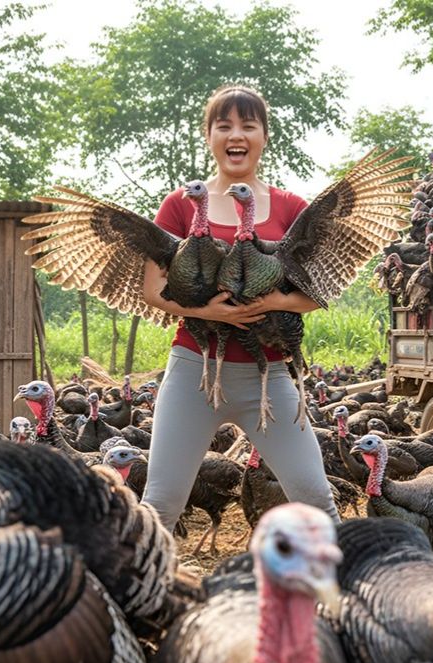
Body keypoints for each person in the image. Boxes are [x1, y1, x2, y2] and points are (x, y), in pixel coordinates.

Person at [138, 84, 339, 531]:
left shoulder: (290, 208)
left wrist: (274, 301)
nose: (237, 134)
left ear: (264, 136)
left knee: (314, 497)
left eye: (248, 125)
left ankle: (348, 594)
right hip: (195, 370)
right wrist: (215, 313)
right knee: (161, 503)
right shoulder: (179, 205)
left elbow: (318, 293)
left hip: (268, 375)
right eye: (224, 125)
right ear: (209, 136)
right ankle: (137, 597)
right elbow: (153, 290)